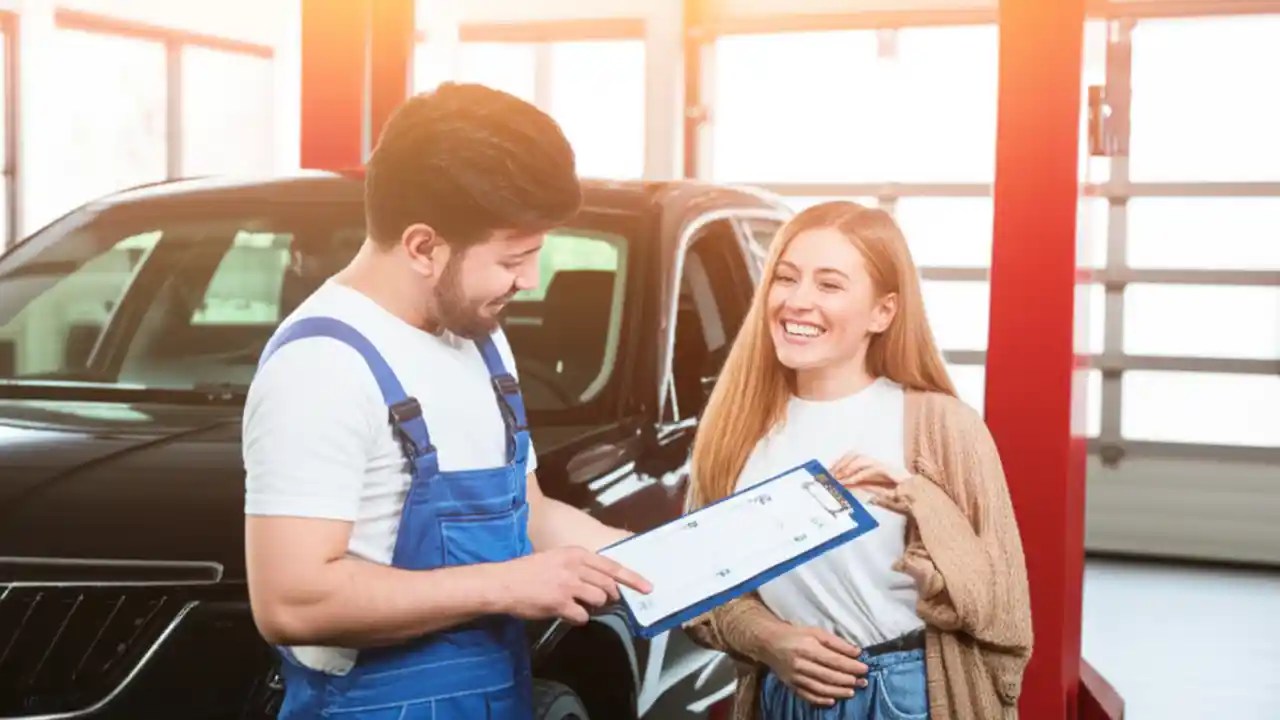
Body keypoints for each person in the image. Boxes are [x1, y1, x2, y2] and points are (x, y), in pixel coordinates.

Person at [241, 83, 650, 720]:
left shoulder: (479, 340)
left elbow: (530, 511)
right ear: (423, 247)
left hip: (494, 696)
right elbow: (291, 602)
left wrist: (656, 561)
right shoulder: (322, 367)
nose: (530, 281)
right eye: (514, 258)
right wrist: (506, 585)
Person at [682, 201, 1033, 720]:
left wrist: (922, 501)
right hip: (786, 697)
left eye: (829, 285)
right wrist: (769, 638)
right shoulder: (736, 428)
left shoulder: (941, 425)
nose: (798, 301)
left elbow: (1003, 612)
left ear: (882, 312)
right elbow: (699, 588)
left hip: (907, 696)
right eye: (786, 278)